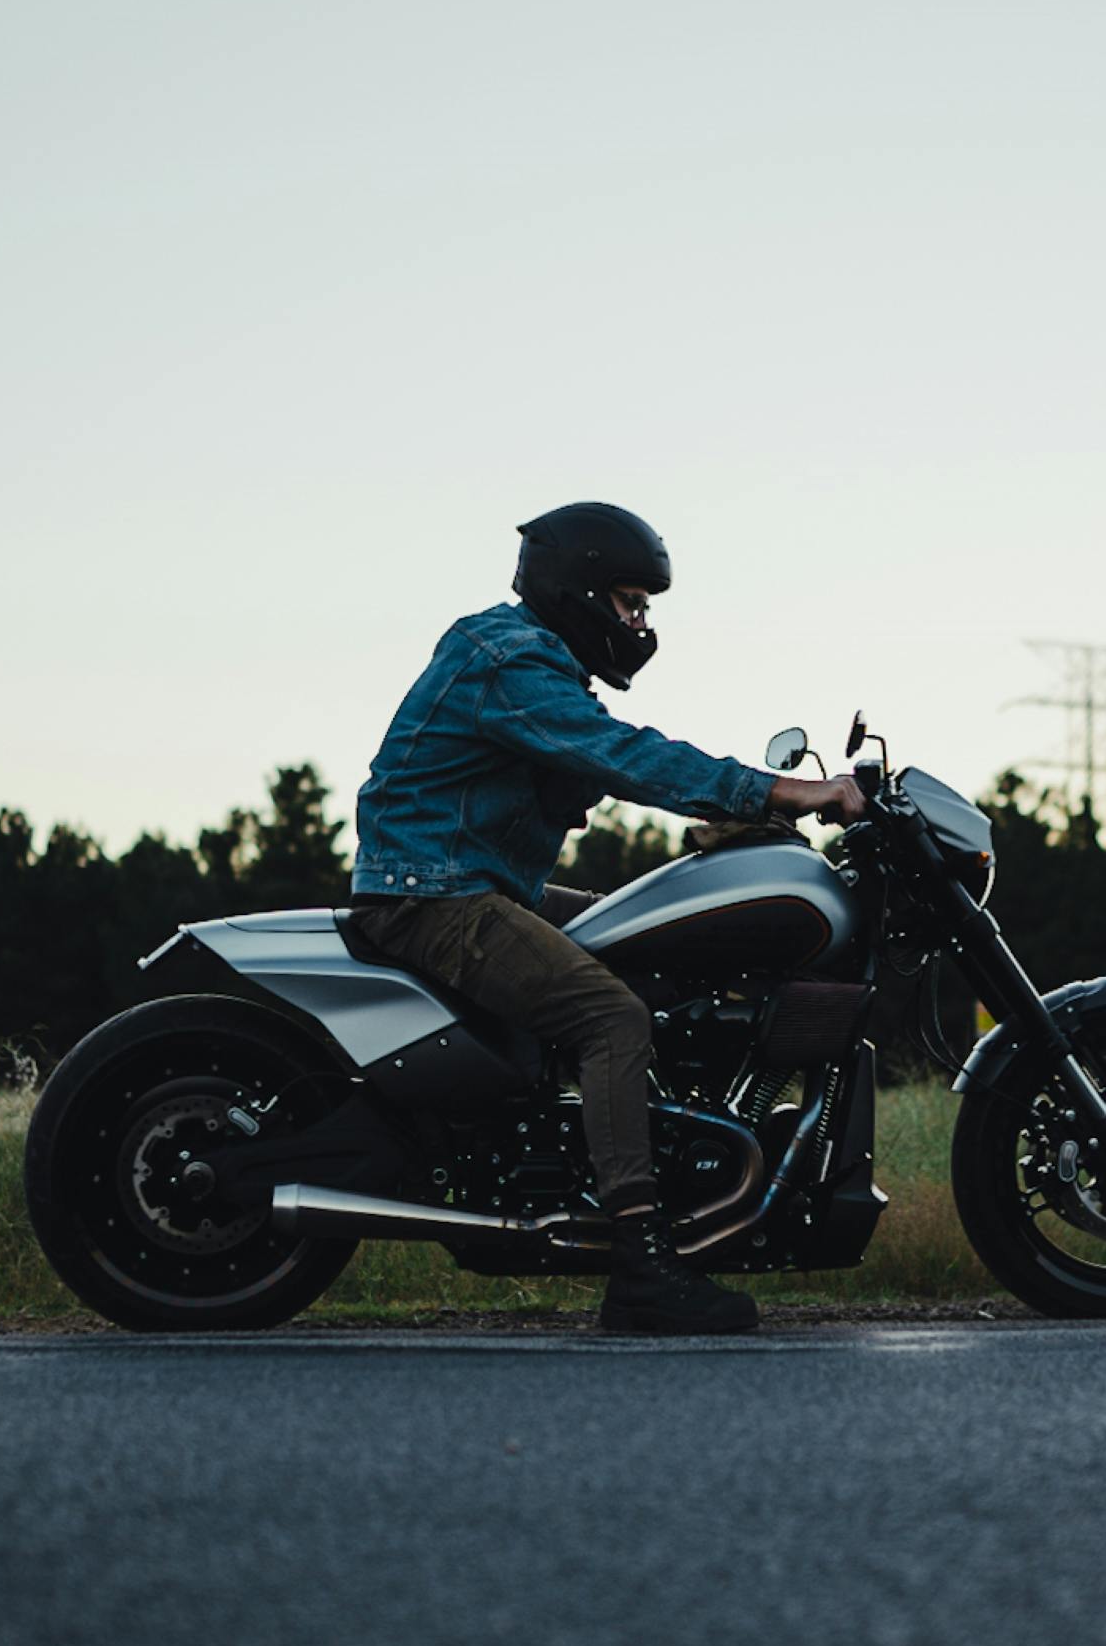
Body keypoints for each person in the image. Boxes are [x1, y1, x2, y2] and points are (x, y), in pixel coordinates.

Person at [346, 503, 864, 1336]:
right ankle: (640, 1266)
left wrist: (730, 829)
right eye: (630, 602)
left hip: (474, 885)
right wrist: (783, 789)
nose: (640, 622)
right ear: (579, 591)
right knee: (614, 1017)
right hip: (436, 895)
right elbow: (625, 756)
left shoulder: (528, 663)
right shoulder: (510, 662)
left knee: (653, 947)